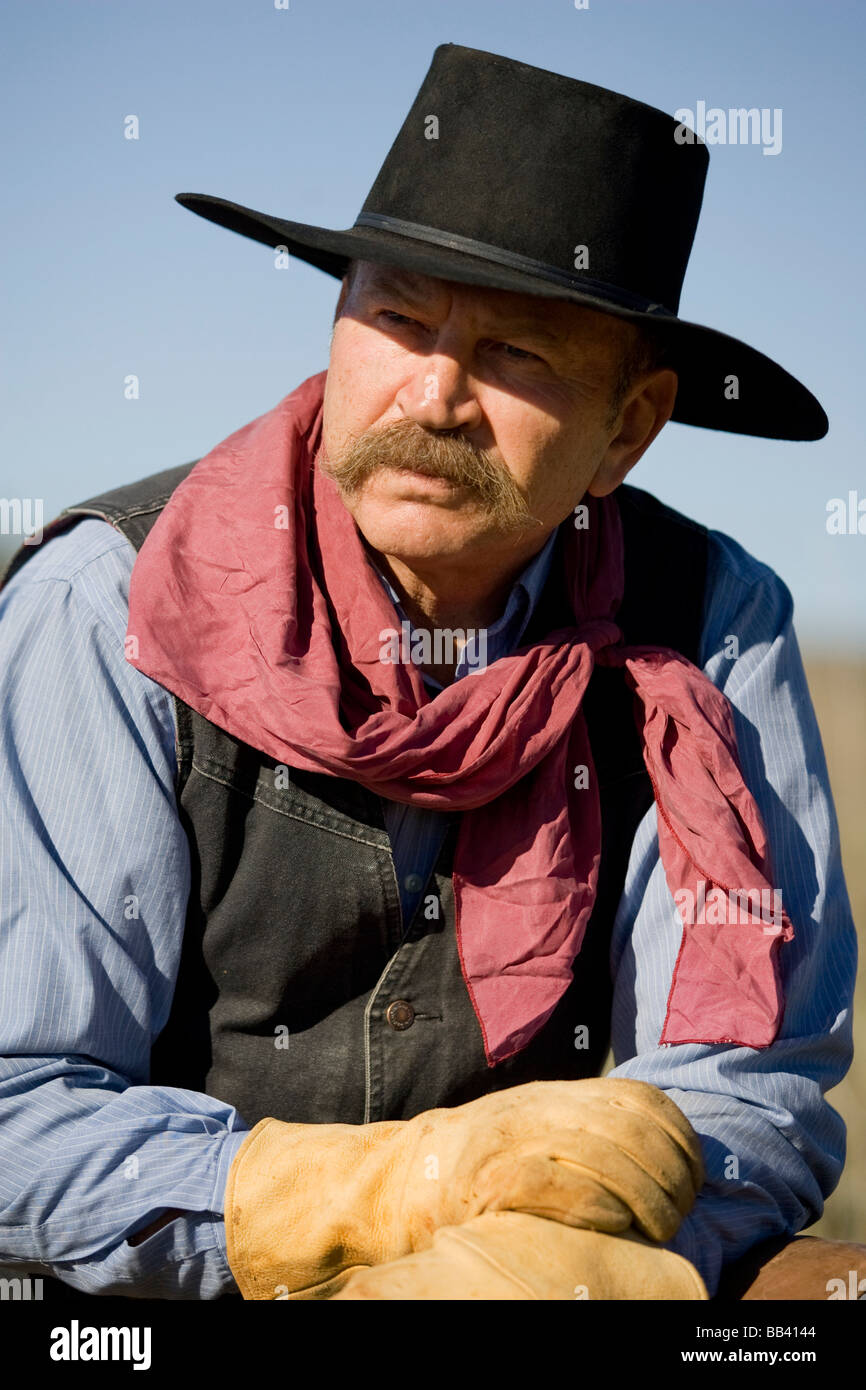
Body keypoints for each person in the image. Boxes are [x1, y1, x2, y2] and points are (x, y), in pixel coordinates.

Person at [0, 44, 855, 1302]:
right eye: (397, 319)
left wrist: (548, 1266)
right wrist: (377, 1210)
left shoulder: (708, 623)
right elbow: (19, 1105)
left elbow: (746, 1082)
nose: (435, 393)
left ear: (626, 426)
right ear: (338, 317)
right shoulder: (112, 607)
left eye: (515, 353)